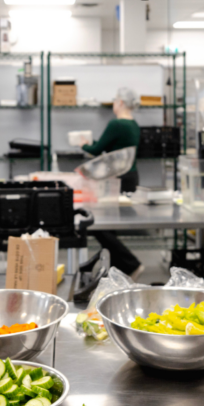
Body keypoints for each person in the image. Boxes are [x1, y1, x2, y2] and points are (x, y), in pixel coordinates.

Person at [82, 87, 142, 278]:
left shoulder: (117, 124)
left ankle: (131, 264)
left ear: (121, 103)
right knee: (110, 225)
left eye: (115, 100)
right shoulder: (134, 125)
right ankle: (118, 271)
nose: (114, 104)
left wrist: (82, 143)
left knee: (100, 225)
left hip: (116, 180)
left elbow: (96, 149)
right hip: (131, 177)